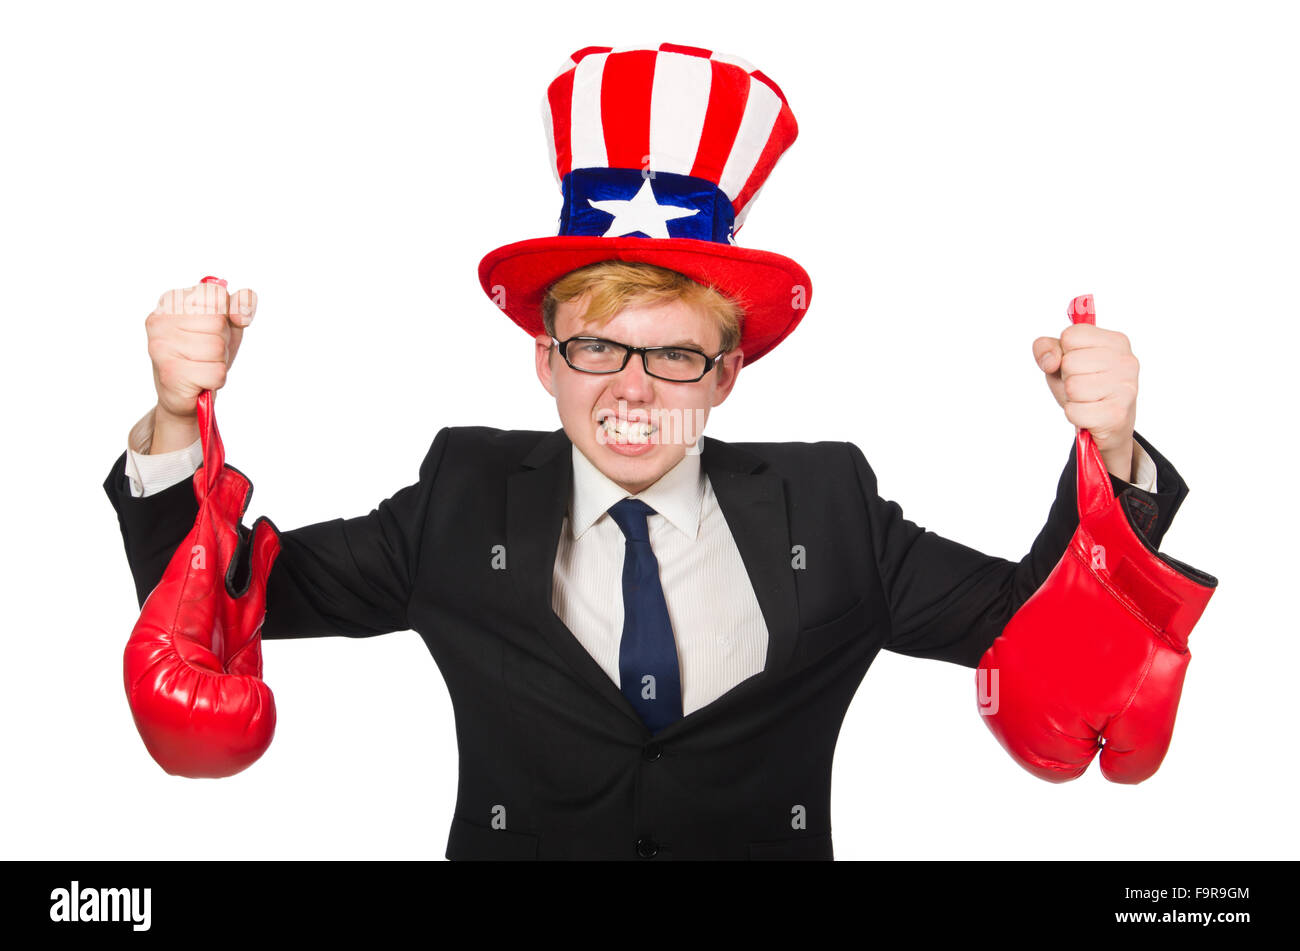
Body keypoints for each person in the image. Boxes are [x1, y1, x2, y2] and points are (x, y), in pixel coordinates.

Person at [104, 44, 1187, 860]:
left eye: (673, 357)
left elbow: (1040, 630)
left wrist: (1109, 445)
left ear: (726, 374)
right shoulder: (461, 498)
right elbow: (206, 600)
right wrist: (174, 416)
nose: (629, 388)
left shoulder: (831, 506)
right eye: (595, 347)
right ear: (544, 360)